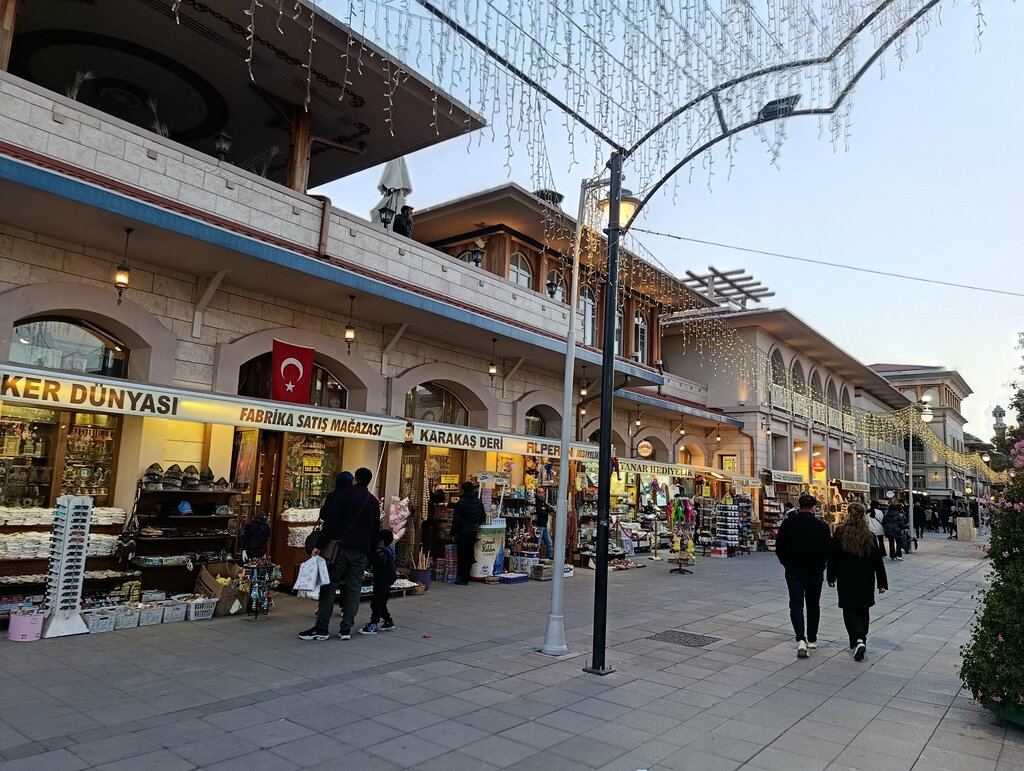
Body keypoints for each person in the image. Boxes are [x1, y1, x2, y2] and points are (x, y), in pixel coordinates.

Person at [300, 467, 380, 641]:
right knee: (353, 589)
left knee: (330, 586)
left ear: (355, 479)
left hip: (341, 550)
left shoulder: (343, 496)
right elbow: (375, 532)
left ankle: (322, 628)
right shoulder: (372, 501)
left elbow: (331, 523)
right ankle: (346, 629)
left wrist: (319, 545)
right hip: (362, 552)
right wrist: (370, 556)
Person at [827, 503, 888, 662]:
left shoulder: (840, 532)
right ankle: (861, 640)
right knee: (863, 609)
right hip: (866, 577)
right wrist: (882, 583)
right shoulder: (870, 534)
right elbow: (877, 561)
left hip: (846, 577)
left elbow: (833, 557)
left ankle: (858, 639)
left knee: (849, 609)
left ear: (848, 514)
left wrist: (831, 576)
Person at [775, 492, 832, 658]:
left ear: (799, 506)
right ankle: (812, 639)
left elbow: (779, 548)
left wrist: (786, 563)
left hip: (794, 571)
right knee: (814, 605)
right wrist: (822, 565)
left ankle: (800, 638)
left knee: (796, 604)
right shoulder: (821, 526)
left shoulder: (788, 524)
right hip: (814, 571)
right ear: (813, 507)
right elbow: (828, 550)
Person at [360, 529, 397, 635]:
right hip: (383, 581)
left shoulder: (383, 553)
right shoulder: (387, 551)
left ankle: (373, 624)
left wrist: (370, 556)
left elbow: (377, 562)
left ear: (381, 542)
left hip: (383, 582)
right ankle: (388, 620)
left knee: (376, 604)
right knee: (380, 603)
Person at [450, 481, 485, 584]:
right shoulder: (478, 502)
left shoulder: (460, 503)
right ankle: (468, 574)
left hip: (462, 531)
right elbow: (483, 517)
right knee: (470, 552)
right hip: (473, 531)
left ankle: (463, 577)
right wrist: (476, 524)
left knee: (462, 554)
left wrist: (453, 533)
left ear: (463, 490)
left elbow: (456, 520)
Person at [533, 489, 555, 559]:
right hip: (538, 526)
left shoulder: (543, 502)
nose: (541, 494)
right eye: (539, 492)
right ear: (536, 493)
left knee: (549, 543)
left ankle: (549, 558)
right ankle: (535, 559)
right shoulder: (536, 502)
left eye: (542, 493)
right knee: (538, 544)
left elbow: (549, 509)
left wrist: (546, 510)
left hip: (544, 526)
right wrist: (546, 511)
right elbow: (540, 512)